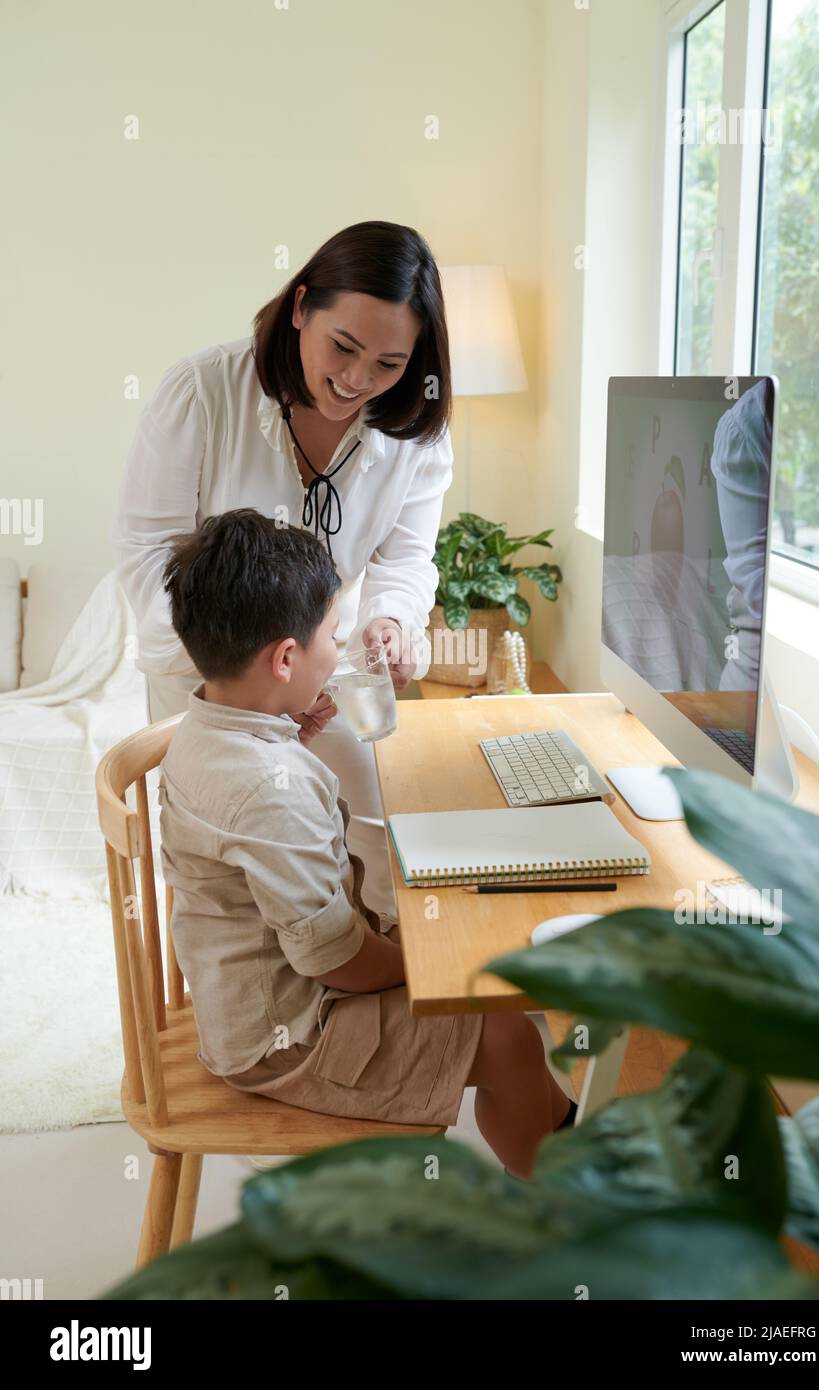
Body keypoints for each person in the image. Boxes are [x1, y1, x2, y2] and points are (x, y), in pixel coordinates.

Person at [157, 510, 575, 1179]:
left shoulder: (213, 730)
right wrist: (426, 963)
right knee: (507, 1036)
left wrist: (288, 720)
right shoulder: (272, 787)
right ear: (285, 658)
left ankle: (572, 1145)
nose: (341, 647)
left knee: (498, 1012)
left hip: (252, 997)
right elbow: (333, 957)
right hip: (285, 1040)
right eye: (333, 633)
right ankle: (573, 1212)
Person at [112, 220, 456, 920]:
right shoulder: (202, 393)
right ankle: (257, 1016)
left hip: (329, 674)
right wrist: (253, 681)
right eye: (343, 346)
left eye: (389, 364)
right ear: (301, 308)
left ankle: (377, 1001)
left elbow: (407, 560)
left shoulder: (414, 429)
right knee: (237, 886)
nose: (357, 381)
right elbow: (148, 560)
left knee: (379, 841)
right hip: (207, 686)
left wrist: (389, 622)